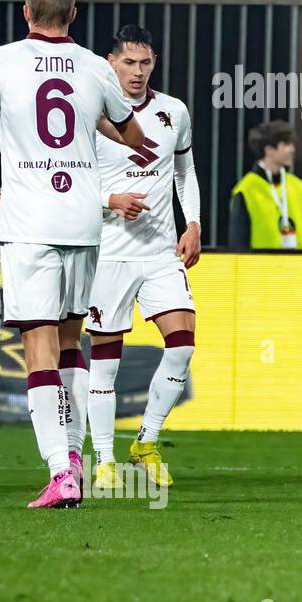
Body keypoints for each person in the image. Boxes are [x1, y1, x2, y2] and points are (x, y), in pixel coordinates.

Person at [0, 0, 145, 509]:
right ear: (74, 14)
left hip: (29, 223)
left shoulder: (1, 62)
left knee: (37, 343)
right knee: (69, 341)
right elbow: (134, 136)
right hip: (82, 219)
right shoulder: (94, 66)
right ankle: (76, 457)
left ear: (26, 12)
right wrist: (91, 123)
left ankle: (61, 471)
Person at [84, 25, 201, 490]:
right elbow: (68, 180)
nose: (137, 71)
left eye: (145, 62)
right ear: (110, 63)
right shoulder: (89, 114)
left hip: (159, 252)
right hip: (108, 253)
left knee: (183, 344)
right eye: (129, 62)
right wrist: (110, 200)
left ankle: (146, 441)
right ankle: (104, 460)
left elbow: (184, 170)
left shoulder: (174, 111)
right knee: (105, 363)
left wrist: (193, 223)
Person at [229, 120, 302, 250]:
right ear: (269, 150)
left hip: (300, 262)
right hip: (261, 263)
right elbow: (238, 244)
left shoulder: (298, 186)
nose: (292, 149)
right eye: (286, 144)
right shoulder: (246, 189)